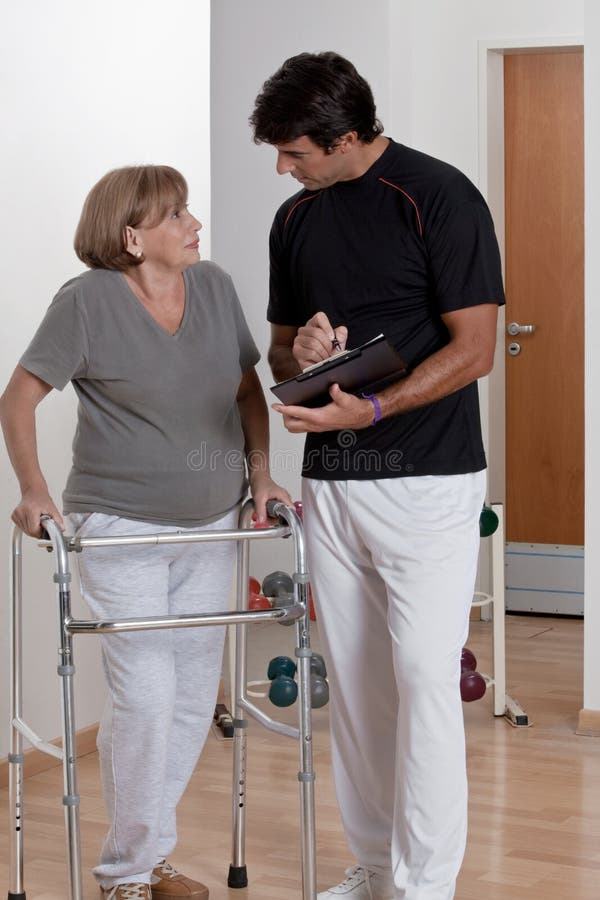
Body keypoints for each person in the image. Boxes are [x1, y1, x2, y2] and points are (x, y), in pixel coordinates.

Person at [250, 52, 504, 900]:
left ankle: (425, 883)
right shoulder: (295, 221)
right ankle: (373, 866)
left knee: (426, 676)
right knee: (356, 686)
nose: (285, 169)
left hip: (428, 478)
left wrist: (380, 411)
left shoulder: (439, 196)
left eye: (295, 153)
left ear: (346, 135)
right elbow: (285, 345)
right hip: (332, 481)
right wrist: (309, 350)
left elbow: (474, 350)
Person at [0, 165, 291, 900]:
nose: (194, 224)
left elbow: (247, 392)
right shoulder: (90, 301)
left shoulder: (216, 287)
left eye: (188, 212)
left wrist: (261, 478)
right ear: (132, 237)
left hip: (213, 523)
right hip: (119, 524)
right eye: (175, 216)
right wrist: (33, 492)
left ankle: (145, 860)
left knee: (194, 695)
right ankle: (125, 874)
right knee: (148, 695)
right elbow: (19, 399)